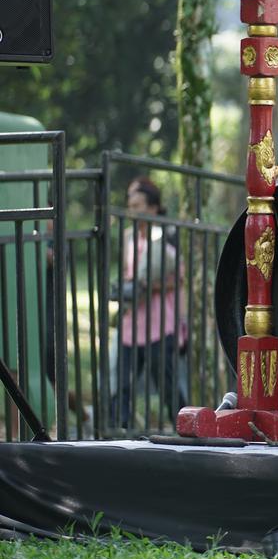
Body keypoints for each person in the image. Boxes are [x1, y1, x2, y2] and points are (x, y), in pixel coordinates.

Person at [115, 177, 188, 429]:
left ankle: (185, 426)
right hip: (131, 323)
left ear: (153, 208)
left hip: (159, 323)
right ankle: (117, 430)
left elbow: (179, 277)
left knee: (167, 384)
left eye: (138, 205)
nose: (133, 211)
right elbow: (128, 270)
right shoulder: (128, 236)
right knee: (122, 383)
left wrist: (148, 286)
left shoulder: (166, 236)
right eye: (130, 205)